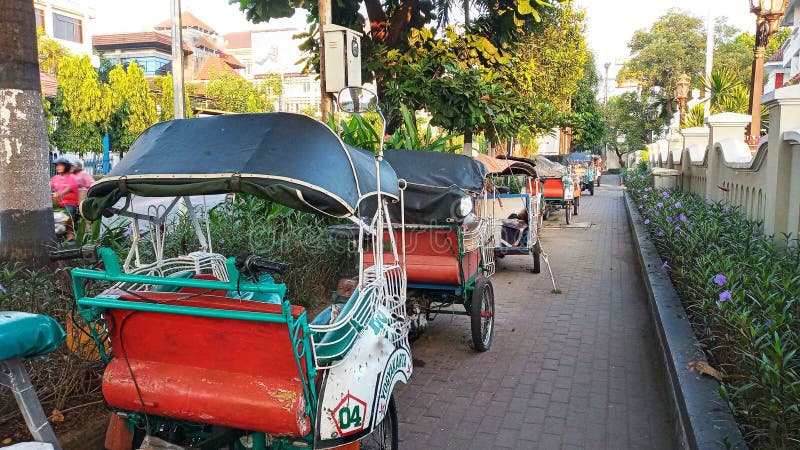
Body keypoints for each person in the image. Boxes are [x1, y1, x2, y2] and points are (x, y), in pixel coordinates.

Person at [50, 157, 79, 238]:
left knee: (67, 224)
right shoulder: (55, 178)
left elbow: (69, 188)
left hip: (69, 205)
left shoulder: (72, 178)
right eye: (57, 166)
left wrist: (59, 194)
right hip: (57, 205)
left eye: (60, 165)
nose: (58, 167)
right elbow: (48, 187)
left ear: (66, 166)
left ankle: (70, 236)